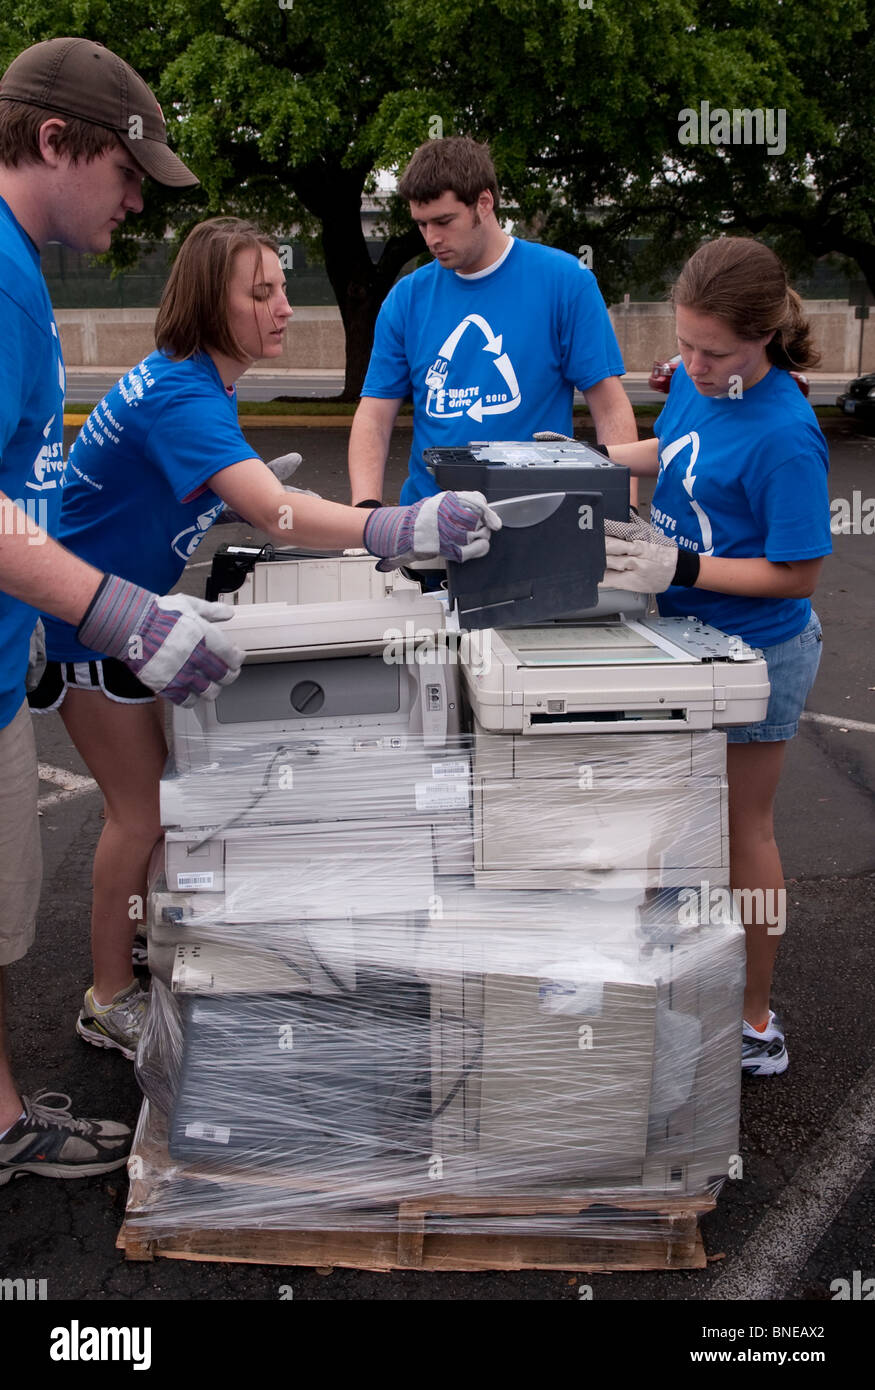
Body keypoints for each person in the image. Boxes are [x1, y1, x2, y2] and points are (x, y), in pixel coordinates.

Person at [28, 214, 501, 1065]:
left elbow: (158, 494)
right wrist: (393, 525)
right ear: (213, 304)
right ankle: (108, 995)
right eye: (262, 293)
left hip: (113, 611)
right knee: (142, 813)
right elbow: (277, 513)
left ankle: (133, 936)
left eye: (282, 286)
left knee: (155, 804)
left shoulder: (189, 379)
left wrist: (226, 501)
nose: (284, 306)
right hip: (88, 628)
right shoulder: (185, 396)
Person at [0, 37, 254, 1188]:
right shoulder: (3, 277)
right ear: (56, 141)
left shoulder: (20, 270)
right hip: (63, 638)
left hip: (25, 642)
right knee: (115, 826)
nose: (137, 200)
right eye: (126, 172)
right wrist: (115, 612)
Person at [599, 237, 831, 1076]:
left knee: (741, 832)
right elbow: (671, 452)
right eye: (685, 343)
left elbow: (798, 572)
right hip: (683, 637)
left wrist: (680, 567)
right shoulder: (702, 386)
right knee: (663, 822)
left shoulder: (786, 435)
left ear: (763, 336)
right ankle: (661, 974)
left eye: (715, 352)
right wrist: (581, 461)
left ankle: (752, 1020)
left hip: (756, 653)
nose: (693, 365)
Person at [348, 136, 638, 509]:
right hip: (431, 519)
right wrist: (366, 511)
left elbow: (610, 407)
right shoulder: (406, 298)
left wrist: (625, 512)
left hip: (539, 516)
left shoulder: (566, 281)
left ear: (484, 203)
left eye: (444, 221)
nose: (432, 238)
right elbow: (374, 415)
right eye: (421, 224)